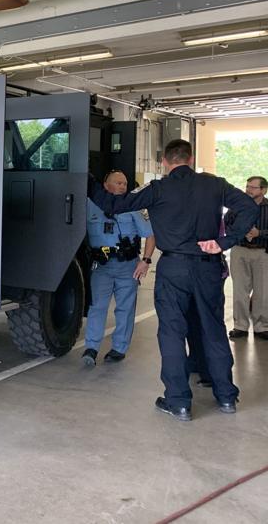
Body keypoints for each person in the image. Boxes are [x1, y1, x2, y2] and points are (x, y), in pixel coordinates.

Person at [88, 139, 258, 421]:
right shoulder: (215, 184)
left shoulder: (158, 189)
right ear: (190, 159)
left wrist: (88, 178)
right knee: (213, 329)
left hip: (173, 268)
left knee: (171, 332)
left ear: (164, 162)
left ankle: (178, 401)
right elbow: (249, 208)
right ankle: (226, 396)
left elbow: (112, 204)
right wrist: (224, 241)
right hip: (208, 267)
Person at [83, 170, 156, 366]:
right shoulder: (89, 205)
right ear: (106, 185)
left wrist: (146, 260)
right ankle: (91, 347)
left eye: (125, 184)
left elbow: (150, 234)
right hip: (102, 266)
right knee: (96, 307)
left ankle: (119, 348)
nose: (123, 187)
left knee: (125, 308)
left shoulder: (133, 206)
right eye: (118, 183)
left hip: (128, 266)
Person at [226, 176, 268, 340]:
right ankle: (240, 326)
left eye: (253, 187)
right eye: (247, 186)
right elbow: (227, 222)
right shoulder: (238, 205)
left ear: (263, 190)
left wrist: (260, 233)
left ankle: (262, 327)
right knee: (240, 290)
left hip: (262, 252)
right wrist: (240, 231)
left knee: (263, 291)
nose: (248, 190)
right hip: (240, 250)